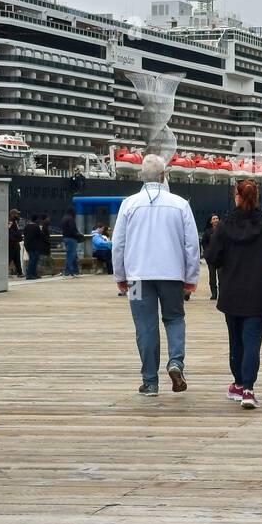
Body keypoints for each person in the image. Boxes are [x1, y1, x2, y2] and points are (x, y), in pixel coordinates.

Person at [112, 155, 200, 396]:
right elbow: (191, 245)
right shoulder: (180, 204)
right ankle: (175, 362)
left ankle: (150, 382)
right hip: (172, 275)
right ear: (164, 176)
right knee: (174, 319)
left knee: (145, 326)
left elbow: (118, 244)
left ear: (141, 176)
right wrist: (190, 278)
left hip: (137, 277)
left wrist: (120, 276)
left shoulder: (128, 204)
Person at [206, 179, 262, 410]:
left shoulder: (224, 225)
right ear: (256, 197)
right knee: (252, 342)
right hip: (257, 291)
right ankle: (248, 389)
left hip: (231, 291)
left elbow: (212, 257)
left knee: (235, 340)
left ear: (237, 197)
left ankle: (238, 383)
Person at [23, 213, 50, 280]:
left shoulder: (26, 226)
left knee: (32, 260)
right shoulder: (36, 227)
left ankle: (32, 274)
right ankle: (30, 274)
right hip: (34, 246)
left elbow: (25, 235)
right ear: (36, 220)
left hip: (28, 245)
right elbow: (41, 235)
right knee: (33, 260)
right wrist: (47, 242)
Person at [201, 214, 221, 299]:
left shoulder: (223, 230)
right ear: (211, 221)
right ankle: (214, 294)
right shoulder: (207, 232)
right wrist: (207, 252)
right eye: (214, 219)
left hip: (221, 257)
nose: (216, 220)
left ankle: (222, 294)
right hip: (211, 257)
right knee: (212, 277)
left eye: (217, 218)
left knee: (221, 276)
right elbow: (204, 243)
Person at [60, 208, 82, 276]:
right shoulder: (70, 219)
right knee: (70, 255)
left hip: (65, 238)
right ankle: (67, 271)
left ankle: (76, 271)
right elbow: (72, 229)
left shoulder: (64, 218)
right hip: (71, 239)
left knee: (73, 255)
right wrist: (78, 235)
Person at [7, 209, 23, 277]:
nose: (18, 215)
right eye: (17, 214)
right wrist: (15, 239)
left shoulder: (14, 222)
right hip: (12, 244)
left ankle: (20, 272)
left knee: (17, 259)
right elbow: (9, 233)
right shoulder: (10, 222)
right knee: (9, 258)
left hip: (16, 244)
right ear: (12, 214)